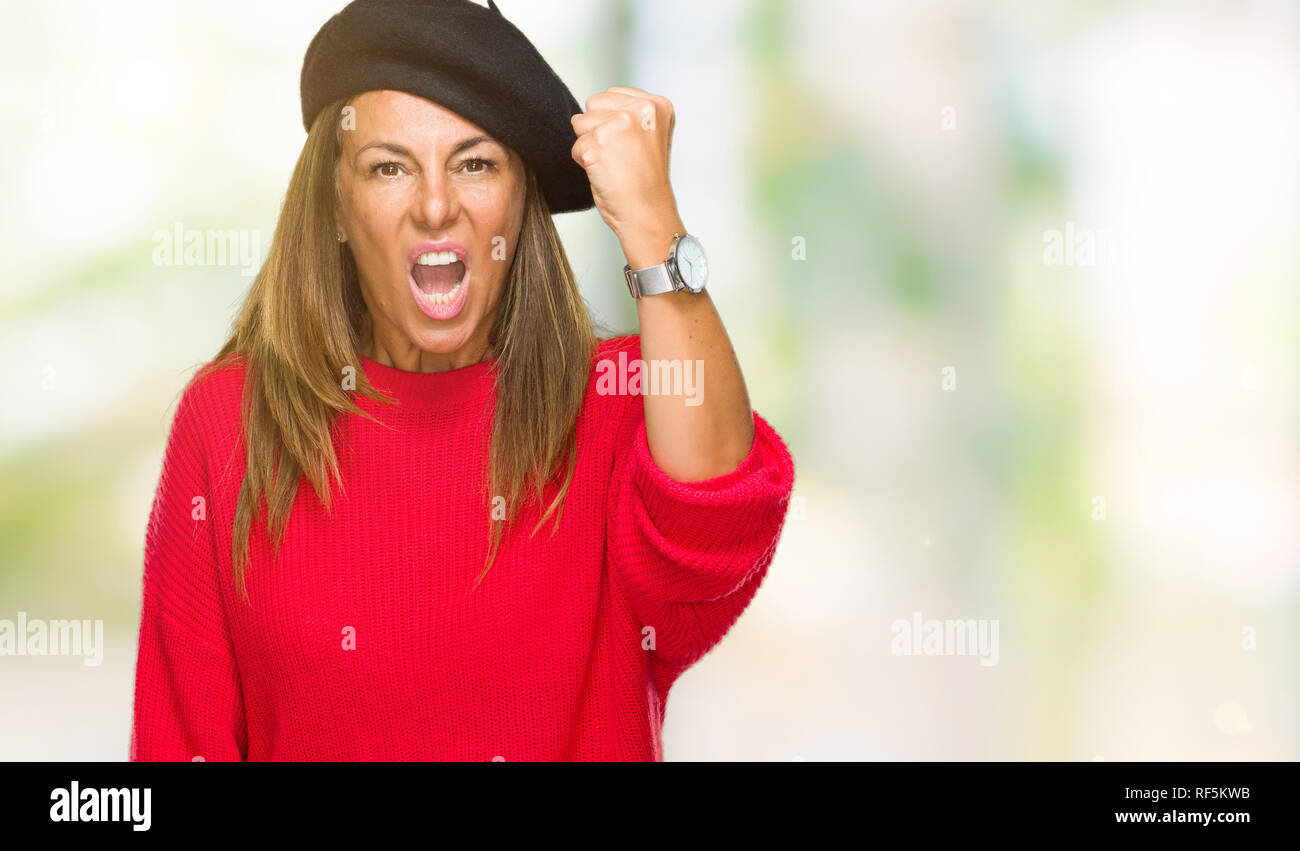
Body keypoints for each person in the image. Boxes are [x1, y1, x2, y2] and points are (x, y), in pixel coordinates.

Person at [130, 0, 795, 761]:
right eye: (389, 167)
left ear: (520, 197)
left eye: (475, 163)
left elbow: (718, 515)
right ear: (338, 205)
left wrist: (652, 220)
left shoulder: (618, 406)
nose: (436, 204)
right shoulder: (228, 420)